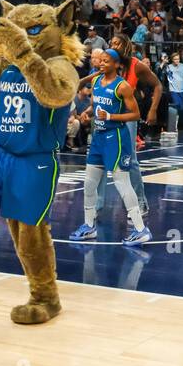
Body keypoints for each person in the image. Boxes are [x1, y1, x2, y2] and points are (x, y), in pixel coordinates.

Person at [69, 49, 150, 245]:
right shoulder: (96, 82)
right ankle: (89, 226)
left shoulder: (122, 86)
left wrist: (111, 117)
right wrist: (89, 113)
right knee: (89, 184)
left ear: (116, 64)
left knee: (122, 183)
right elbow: (87, 97)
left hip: (116, 138)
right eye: (100, 61)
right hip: (98, 138)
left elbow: (136, 114)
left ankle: (140, 229)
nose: (102, 64)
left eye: (106, 61)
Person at [110, 33, 164, 217]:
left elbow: (157, 85)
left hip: (128, 115)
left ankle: (141, 203)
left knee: (130, 160)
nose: (113, 46)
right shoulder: (109, 63)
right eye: (111, 43)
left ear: (125, 46)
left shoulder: (137, 65)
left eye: (117, 43)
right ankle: (99, 205)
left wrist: (153, 109)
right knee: (107, 160)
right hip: (109, 115)